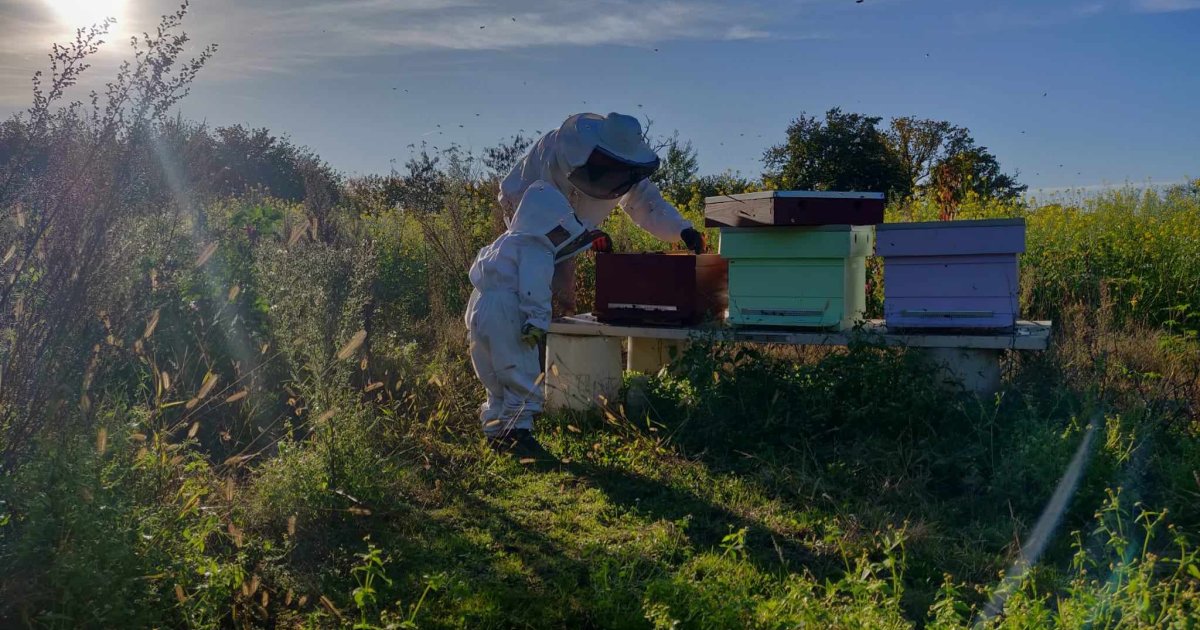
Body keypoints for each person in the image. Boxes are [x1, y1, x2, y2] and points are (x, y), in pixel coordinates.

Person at [499, 112, 706, 316]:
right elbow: (544, 206)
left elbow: (649, 204)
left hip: (568, 225)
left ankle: (556, 344)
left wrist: (682, 230)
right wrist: (588, 233)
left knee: (561, 303)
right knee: (527, 288)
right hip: (524, 217)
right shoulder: (556, 149)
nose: (614, 170)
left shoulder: (626, 167)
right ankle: (528, 338)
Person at [464, 180, 599, 453]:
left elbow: (479, 280)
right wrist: (537, 320)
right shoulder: (535, 247)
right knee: (519, 368)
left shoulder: (501, 243)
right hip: (509, 312)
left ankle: (496, 435)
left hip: (481, 310)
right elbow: (533, 286)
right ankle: (519, 437)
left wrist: (472, 321)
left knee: (494, 376)